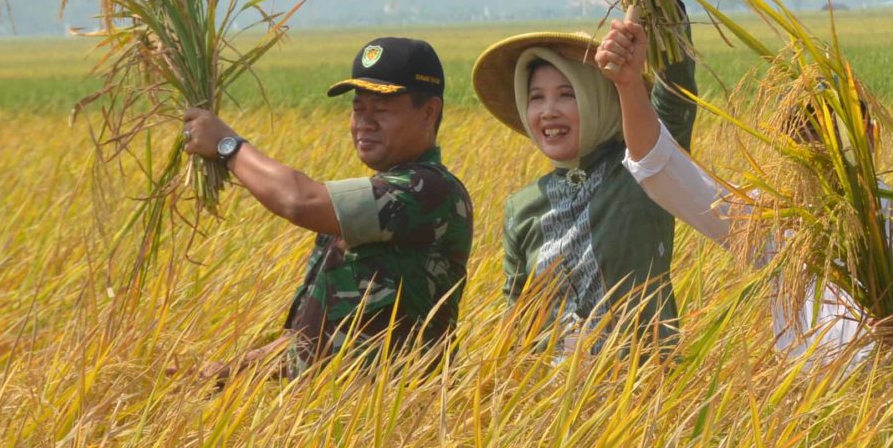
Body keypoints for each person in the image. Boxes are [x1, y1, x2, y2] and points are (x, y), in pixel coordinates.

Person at [593, 12, 893, 361]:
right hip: (808, 413)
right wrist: (629, 85)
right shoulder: (775, 224)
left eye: (833, 128)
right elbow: (663, 171)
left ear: (868, 134)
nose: (818, 145)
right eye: (803, 131)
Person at [182, 35, 472, 379]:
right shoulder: (367, 209)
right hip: (327, 407)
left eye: (381, 110)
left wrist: (227, 146)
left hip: (394, 409)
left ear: (429, 111)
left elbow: (300, 201)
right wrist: (231, 372)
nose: (364, 122)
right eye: (358, 109)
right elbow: (310, 341)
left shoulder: (430, 191)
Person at [471, 22, 697, 357]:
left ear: (599, 98)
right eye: (536, 98)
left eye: (567, 94)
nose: (548, 111)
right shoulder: (523, 207)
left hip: (644, 384)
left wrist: (663, 6)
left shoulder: (642, 172)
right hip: (552, 388)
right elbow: (516, 323)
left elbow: (674, 100)